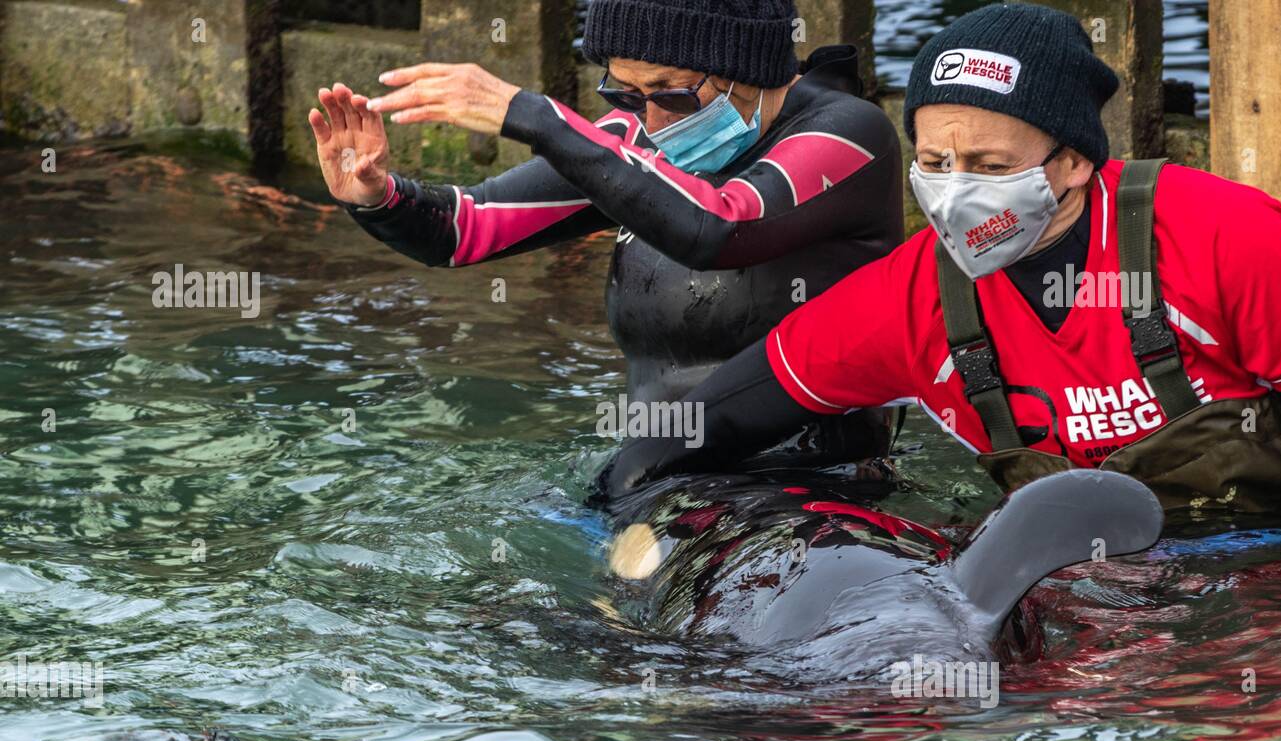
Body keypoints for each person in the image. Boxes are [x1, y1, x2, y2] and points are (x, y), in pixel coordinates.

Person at [600, 2, 1281, 512]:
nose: (957, 188)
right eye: (935, 161)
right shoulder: (909, 300)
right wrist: (614, 499)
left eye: (990, 164)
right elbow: (721, 415)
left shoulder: (1223, 235)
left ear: (1076, 161)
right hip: (1082, 586)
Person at [308, 0, 904, 471]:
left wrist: (533, 115)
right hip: (653, 473)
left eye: (670, 93)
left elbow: (720, 226)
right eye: (624, 93)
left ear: (748, 70)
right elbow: (466, 228)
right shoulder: (638, 137)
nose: (648, 120)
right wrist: (377, 195)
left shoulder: (848, 134)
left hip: (811, 475)